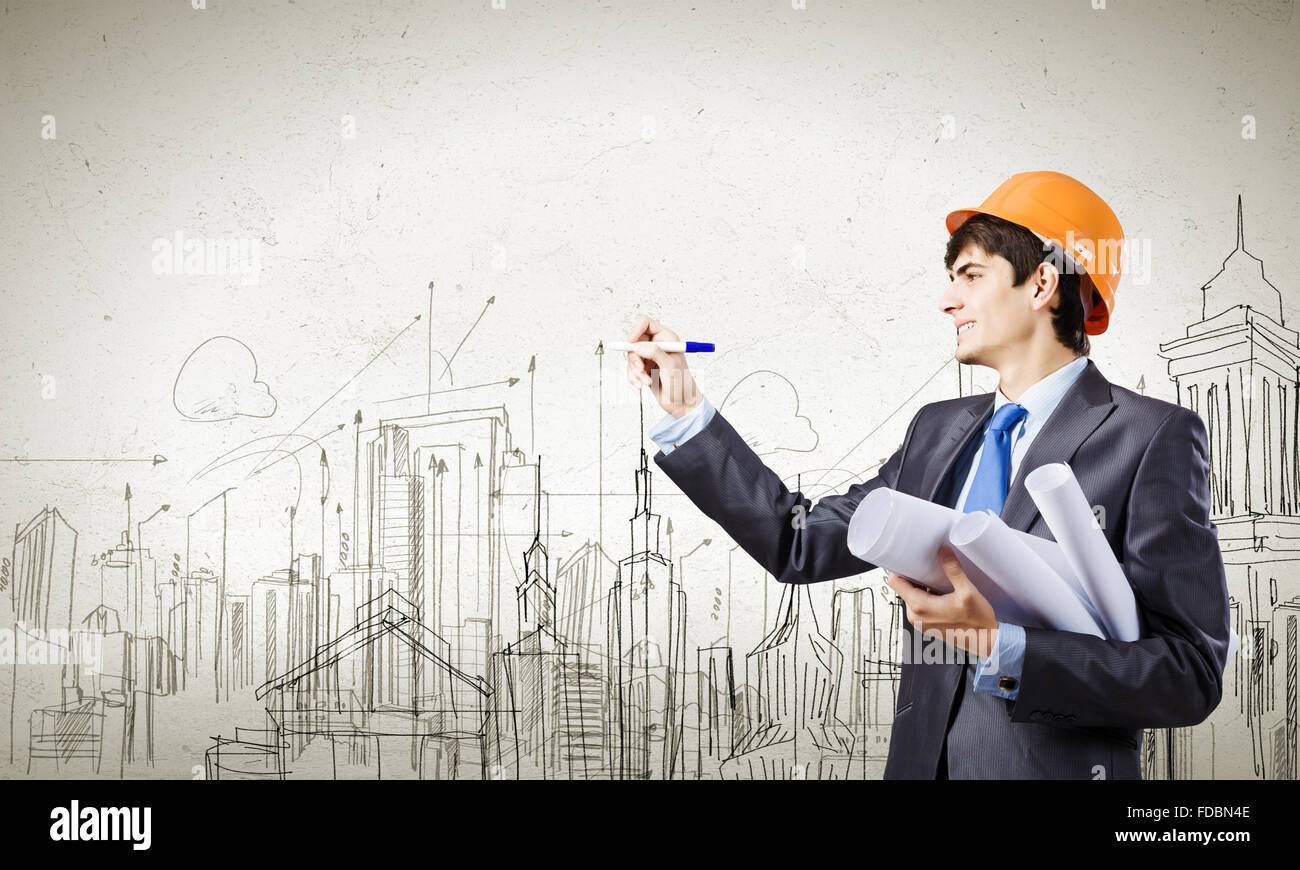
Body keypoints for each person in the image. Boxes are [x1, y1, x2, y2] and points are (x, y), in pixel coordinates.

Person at [624, 171, 1231, 779]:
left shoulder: (1151, 437)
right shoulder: (937, 433)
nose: (947, 301)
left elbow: (1188, 675)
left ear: (1042, 281)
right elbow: (798, 541)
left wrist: (1003, 646)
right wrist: (686, 412)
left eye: (971, 276)